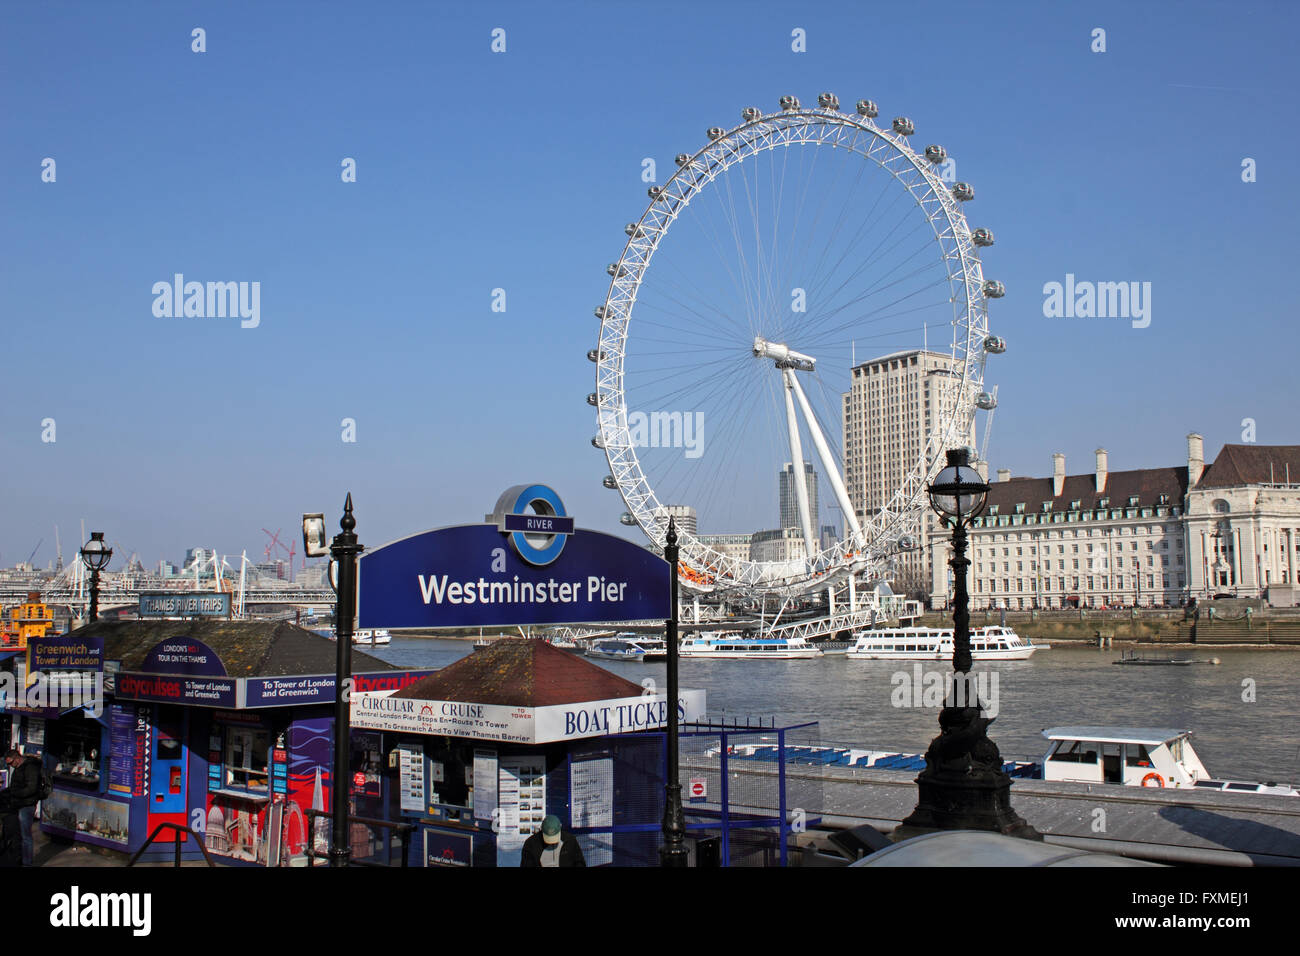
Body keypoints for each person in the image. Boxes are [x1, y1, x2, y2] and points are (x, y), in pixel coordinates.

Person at [0, 749, 42, 866]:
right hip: (18, 803)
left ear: (17, 758)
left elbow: (31, 788)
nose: (9, 766)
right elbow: (16, 786)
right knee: (17, 834)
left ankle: (27, 863)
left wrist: (16, 793)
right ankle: (18, 858)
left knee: (25, 836)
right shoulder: (18, 768)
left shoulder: (30, 768)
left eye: (10, 763)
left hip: (26, 805)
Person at [520, 815, 585, 867]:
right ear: (542, 830)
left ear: (560, 828)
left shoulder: (570, 840)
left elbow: (579, 862)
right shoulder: (531, 844)